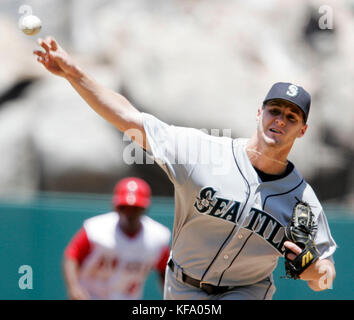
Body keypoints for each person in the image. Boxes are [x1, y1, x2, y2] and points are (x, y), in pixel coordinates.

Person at [35, 36, 336, 300]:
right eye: (275, 110)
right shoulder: (203, 151)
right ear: (260, 113)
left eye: (292, 117)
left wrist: (315, 269)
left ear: (302, 130)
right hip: (181, 287)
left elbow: (326, 277)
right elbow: (129, 118)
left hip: (248, 291)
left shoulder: (303, 200)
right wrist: (74, 74)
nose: (280, 120)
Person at [63, 177, 171, 300]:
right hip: (91, 295)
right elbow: (72, 256)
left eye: (135, 208)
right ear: (115, 207)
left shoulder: (156, 238)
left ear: (144, 208)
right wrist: (74, 287)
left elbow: (166, 271)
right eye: (124, 207)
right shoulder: (96, 230)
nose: (129, 213)